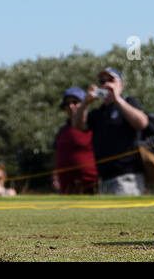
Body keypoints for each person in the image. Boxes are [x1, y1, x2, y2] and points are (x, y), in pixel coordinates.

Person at [73, 66, 149, 195]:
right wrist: (85, 103)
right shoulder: (99, 112)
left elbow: (142, 123)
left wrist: (117, 99)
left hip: (127, 177)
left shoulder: (129, 102)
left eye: (111, 80)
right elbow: (77, 125)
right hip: (105, 179)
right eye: (102, 82)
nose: (106, 84)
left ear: (121, 85)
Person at [52, 85, 98, 194]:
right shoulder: (62, 131)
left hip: (92, 189)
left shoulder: (94, 127)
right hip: (67, 190)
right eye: (67, 104)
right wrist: (55, 176)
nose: (71, 106)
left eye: (75, 102)